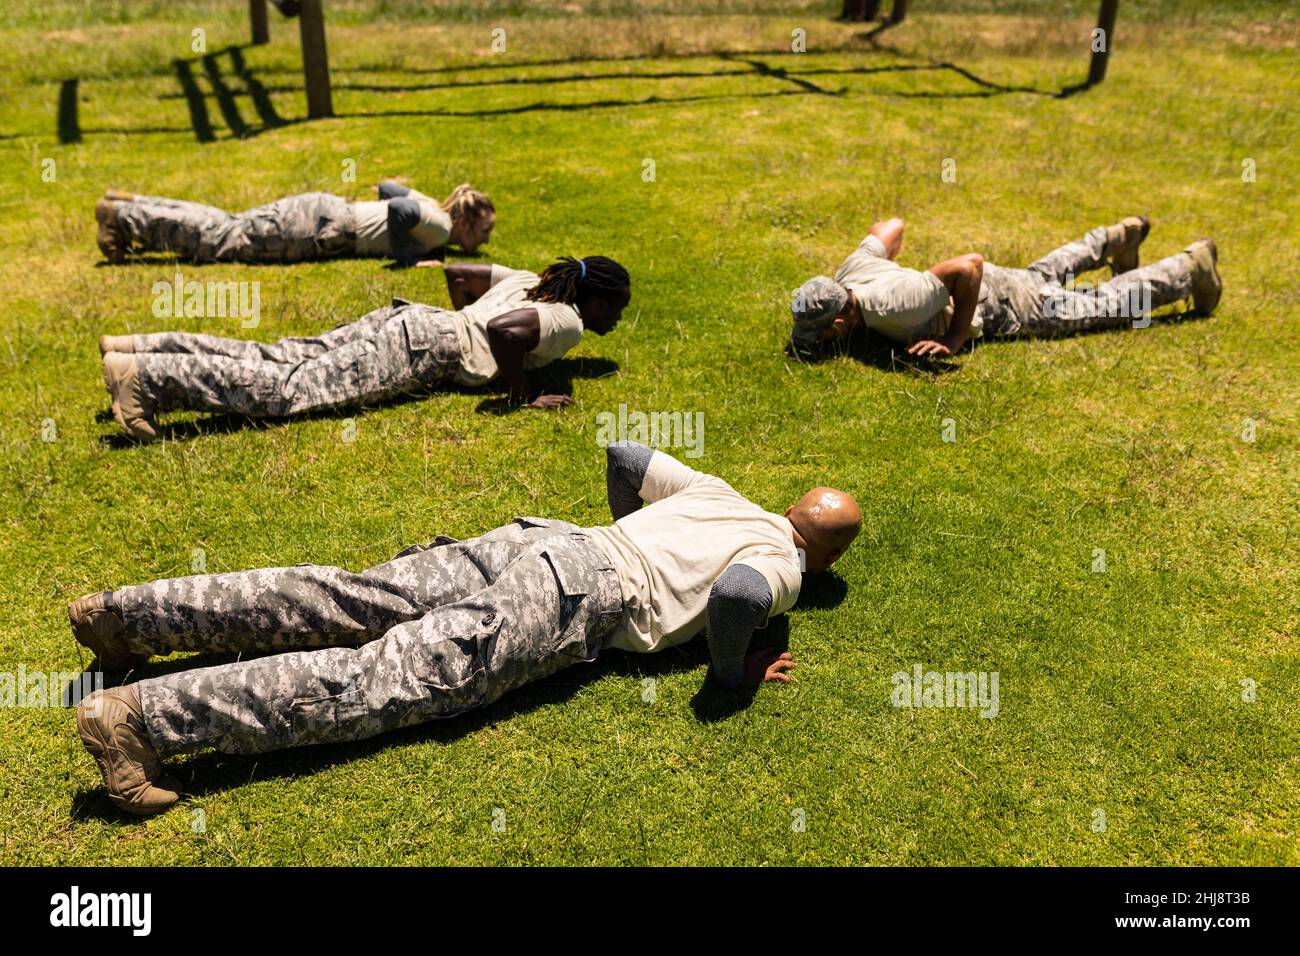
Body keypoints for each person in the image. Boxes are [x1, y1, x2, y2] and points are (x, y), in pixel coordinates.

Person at [70, 443, 862, 815]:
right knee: (379, 679)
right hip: (578, 592)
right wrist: (733, 675)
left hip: (544, 540)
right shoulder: (788, 561)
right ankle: (140, 723)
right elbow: (737, 597)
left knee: (345, 595)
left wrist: (637, 539)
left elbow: (625, 456)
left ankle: (124, 618)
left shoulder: (724, 490)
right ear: (824, 553)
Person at [97, 256, 631, 441]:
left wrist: (460, 321)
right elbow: (507, 333)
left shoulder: (530, 280)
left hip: (412, 320)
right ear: (597, 298)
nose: (619, 317)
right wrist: (520, 391)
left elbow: (461, 274)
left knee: (280, 355)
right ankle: (145, 379)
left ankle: (137, 348)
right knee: (289, 389)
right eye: (618, 305)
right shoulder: (568, 322)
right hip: (427, 346)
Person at [789, 216, 1222, 358]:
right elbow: (892, 226)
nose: (822, 341)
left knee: (1098, 306)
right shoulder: (849, 274)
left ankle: (1188, 268)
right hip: (998, 284)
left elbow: (967, 265)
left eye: (823, 333)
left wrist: (956, 335)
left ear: (842, 318)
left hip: (997, 306)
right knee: (1040, 276)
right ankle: (1115, 240)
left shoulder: (893, 306)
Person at [93, 181, 494, 266]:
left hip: (323, 211)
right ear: (468, 221)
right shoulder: (441, 228)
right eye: (486, 229)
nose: (487, 238)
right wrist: (406, 257)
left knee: (227, 224)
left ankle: (131, 207)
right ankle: (124, 220)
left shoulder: (432, 207)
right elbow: (398, 213)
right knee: (222, 239)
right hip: (321, 229)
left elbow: (389, 190)